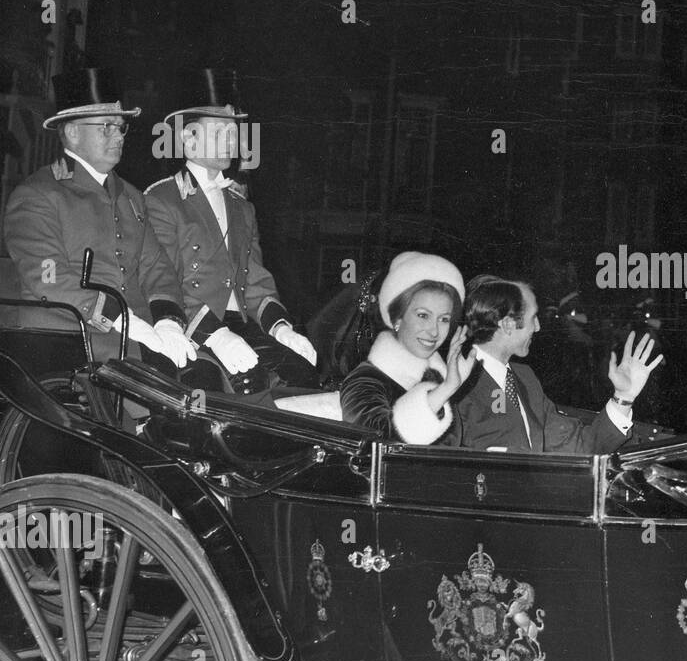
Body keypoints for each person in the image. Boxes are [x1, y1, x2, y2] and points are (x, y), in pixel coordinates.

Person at [3, 68, 195, 371]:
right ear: (73, 132)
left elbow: (158, 268)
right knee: (172, 390)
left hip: (133, 337)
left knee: (205, 374)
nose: (118, 135)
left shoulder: (132, 196)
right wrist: (122, 319)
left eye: (120, 127)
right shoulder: (37, 195)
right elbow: (49, 279)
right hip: (67, 337)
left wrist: (168, 322)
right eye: (106, 126)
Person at [145, 69, 318, 394]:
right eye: (220, 132)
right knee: (244, 388)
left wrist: (281, 329)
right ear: (188, 138)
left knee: (302, 376)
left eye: (234, 132)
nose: (233, 141)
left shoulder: (241, 207)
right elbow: (162, 280)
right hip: (190, 328)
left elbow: (255, 282)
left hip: (243, 328)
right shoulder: (162, 200)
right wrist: (217, 335)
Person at [445, 275, 662, 453]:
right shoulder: (455, 385)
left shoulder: (525, 379)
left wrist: (624, 397)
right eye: (533, 318)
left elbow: (582, 446)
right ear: (509, 325)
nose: (538, 327)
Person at [339, 252, 468, 443]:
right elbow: (373, 446)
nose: (434, 331)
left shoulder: (440, 375)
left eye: (444, 319)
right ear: (397, 319)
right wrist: (443, 391)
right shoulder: (365, 379)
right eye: (423, 315)